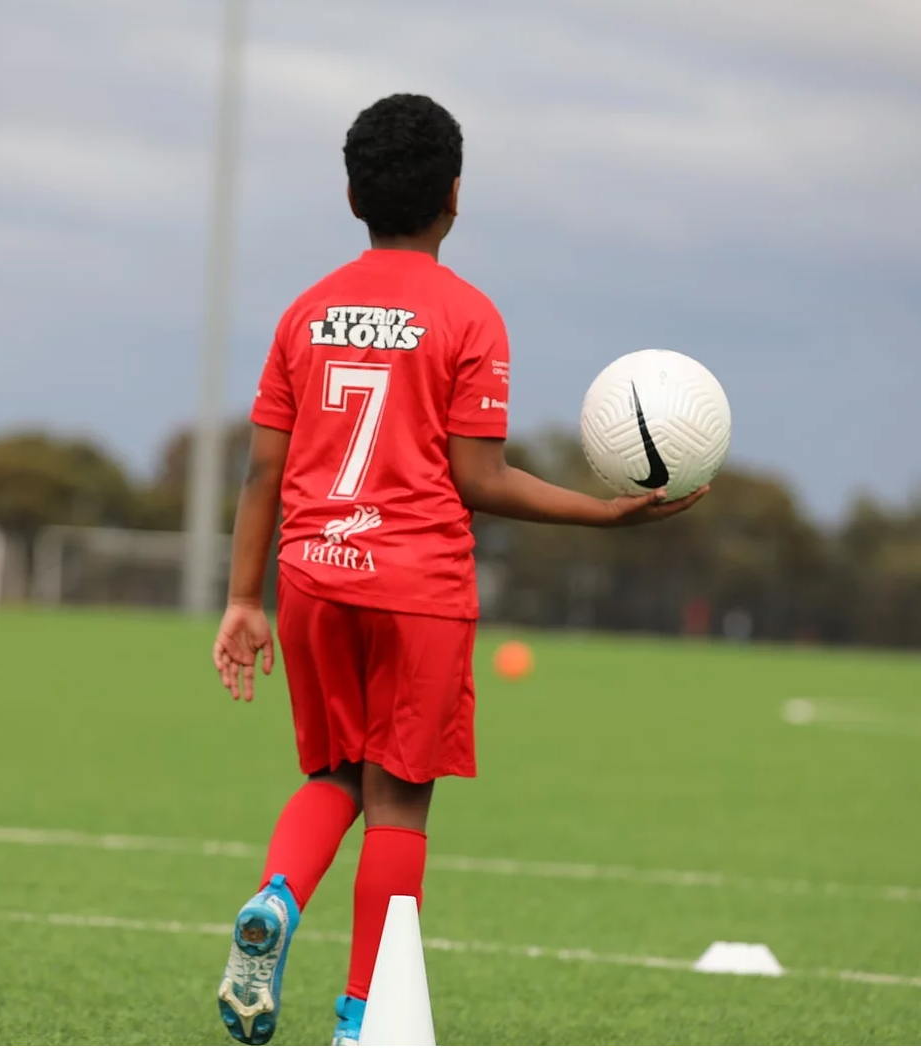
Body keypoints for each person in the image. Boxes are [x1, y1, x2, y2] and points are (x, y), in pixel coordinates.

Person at [212, 93, 707, 1047]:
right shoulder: (470, 317)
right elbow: (480, 478)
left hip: (312, 576)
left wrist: (244, 599)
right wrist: (603, 513)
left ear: (352, 193)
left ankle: (278, 894)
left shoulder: (304, 313)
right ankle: (361, 1019)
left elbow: (261, 471)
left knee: (332, 774)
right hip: (418, 590)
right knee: (400, 799)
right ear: (454, 198)